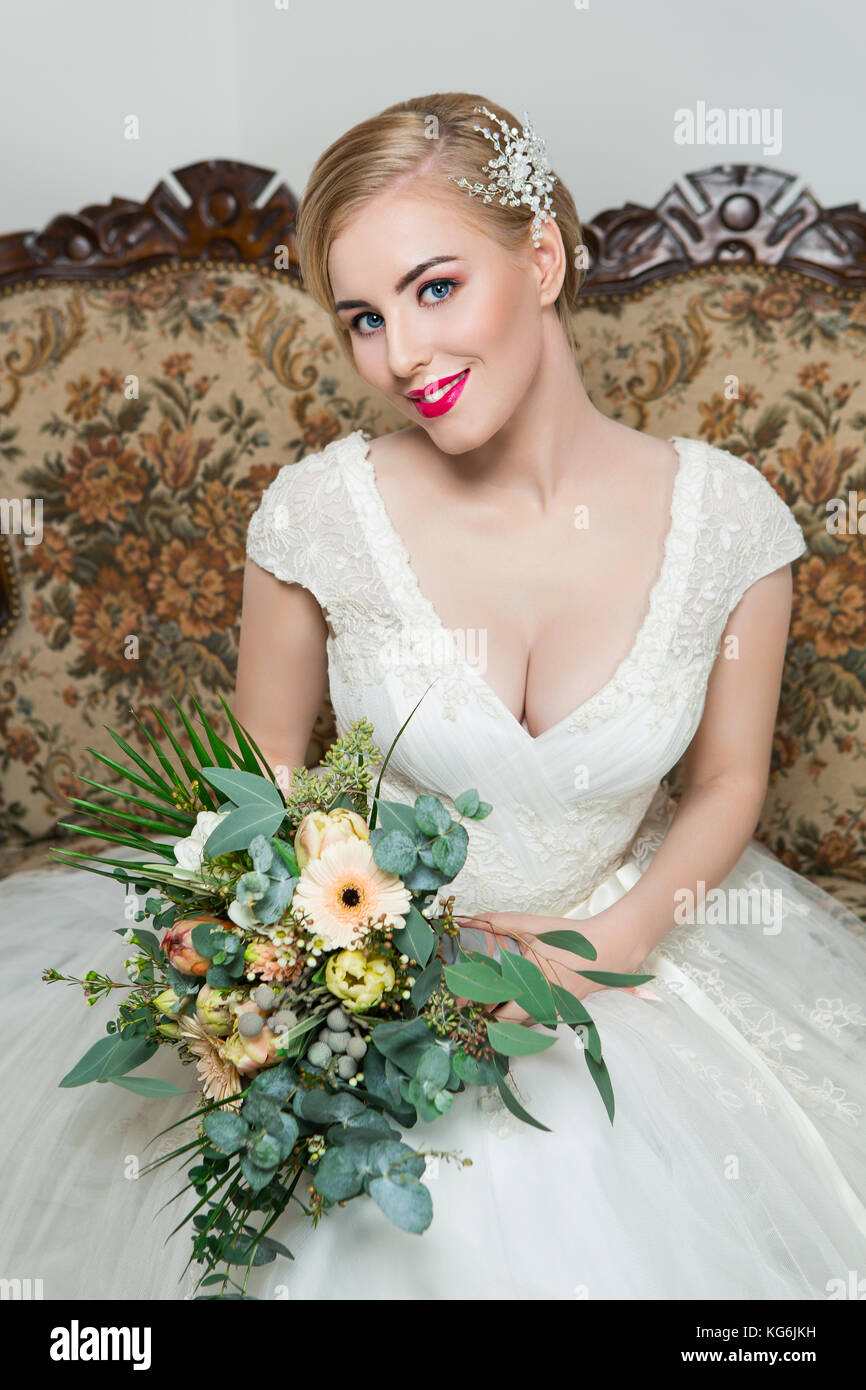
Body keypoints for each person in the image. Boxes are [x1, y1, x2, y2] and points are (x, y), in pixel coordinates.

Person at [1, 93, 863, 1301]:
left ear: (544, 258)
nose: (397, 355)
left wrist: (608, 944)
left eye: (434, 288)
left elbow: (727, 780)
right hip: (369, 962)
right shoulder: (317, 513)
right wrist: (339, 955)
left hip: (624, 950)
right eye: (362, 316)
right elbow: (260, 769)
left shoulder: (727, 522)